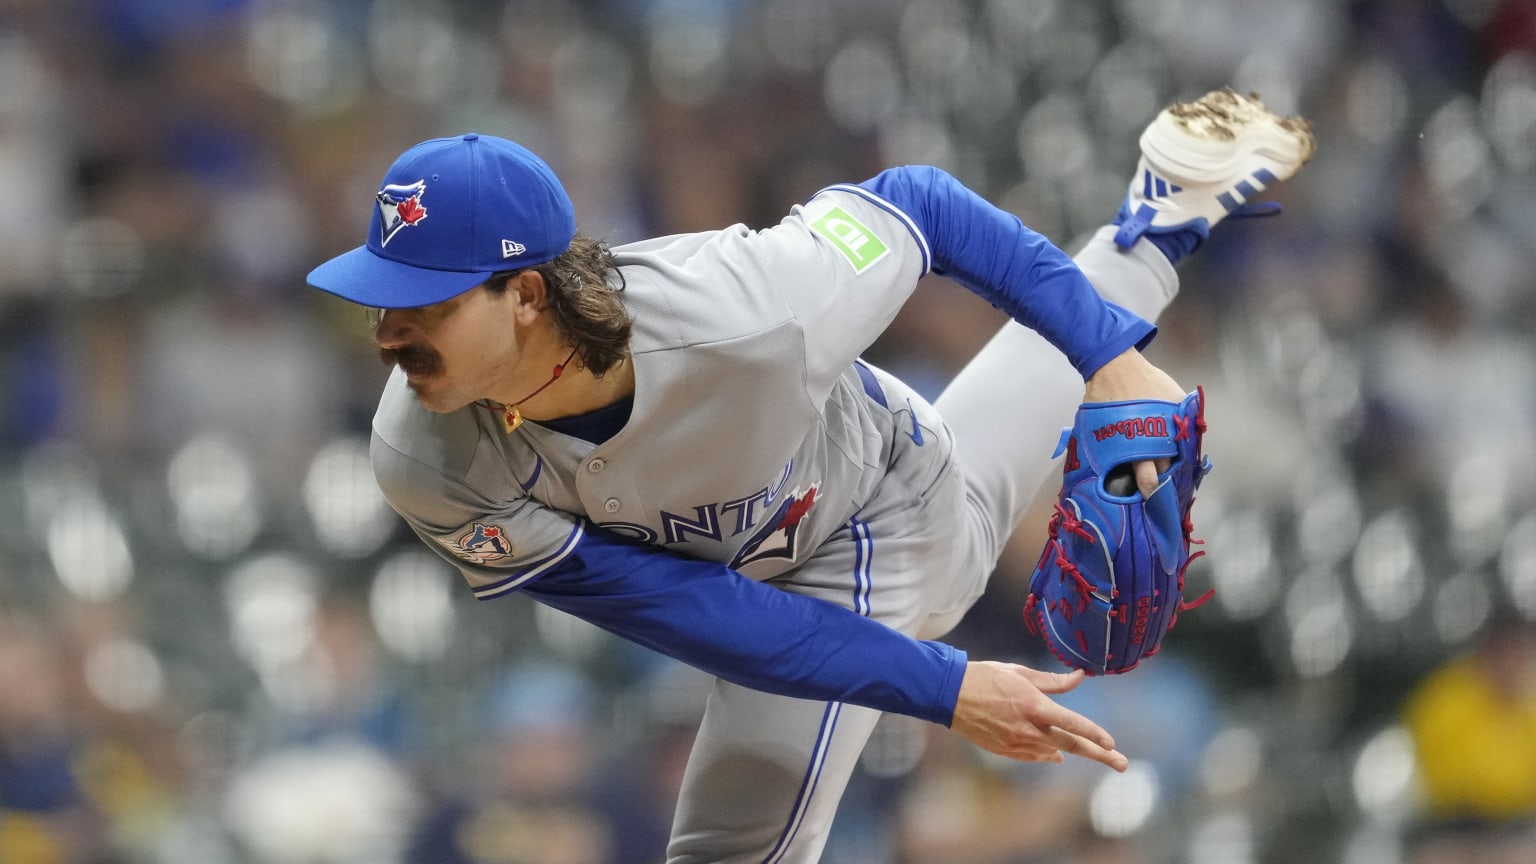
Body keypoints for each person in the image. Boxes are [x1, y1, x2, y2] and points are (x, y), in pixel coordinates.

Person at [307, 88, 1313, 863]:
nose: (388, 333)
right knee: (991, 463)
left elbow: (920, 206)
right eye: (379, 297)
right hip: (784, 553)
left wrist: (1111, 360)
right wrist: (949, 685)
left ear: (525, 295)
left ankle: (1146, 253)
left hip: (871, 513)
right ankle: (1161, 221)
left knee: (729, 846)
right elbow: (695, 614)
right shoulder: (423, 457)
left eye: (424, 306)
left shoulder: (747, 309)